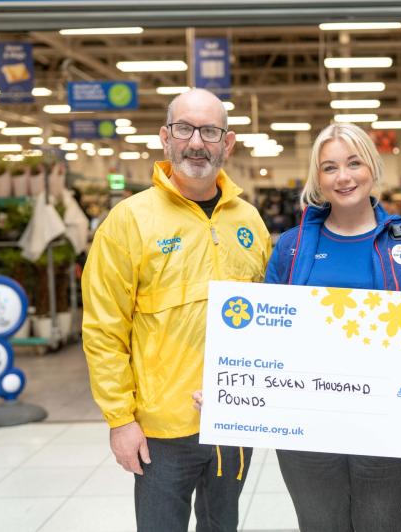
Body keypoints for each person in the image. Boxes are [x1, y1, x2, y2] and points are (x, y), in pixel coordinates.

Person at [82, 88, 271, 532]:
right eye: (184, 129)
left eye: (210, 131)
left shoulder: (249, 220)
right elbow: (104, 329)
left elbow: (270, 321)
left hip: (233, 417)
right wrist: (120, 420)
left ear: (228, 143)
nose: (196, 142)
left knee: (222, 525)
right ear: (165, 138)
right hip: (160, 428)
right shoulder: (129, 221)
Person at [265, 122, 401, 531]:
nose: (343, 177)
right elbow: (266, 334)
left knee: (383, 524)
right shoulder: (291, 246)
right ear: (317, 178)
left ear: (372, 168)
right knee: (319, 525)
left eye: (353, 163)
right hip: (307, 424)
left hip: (389, 422)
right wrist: (229, 380)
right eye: (329, 168)